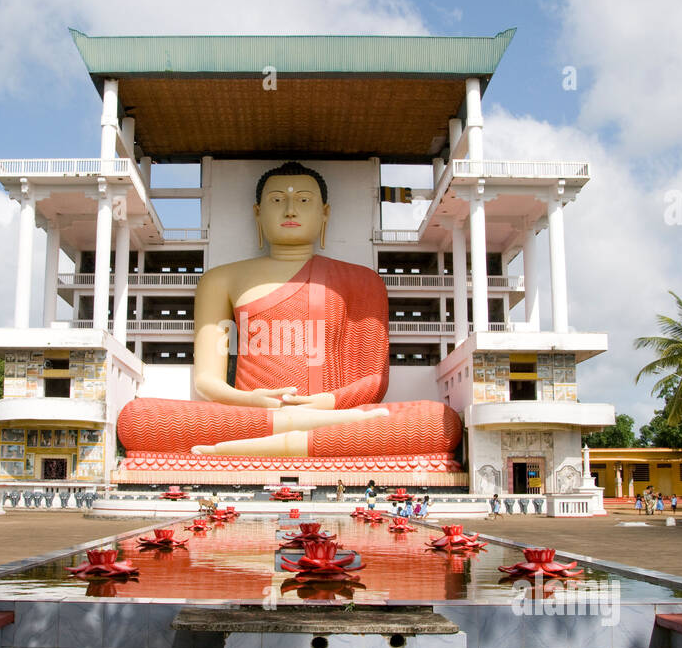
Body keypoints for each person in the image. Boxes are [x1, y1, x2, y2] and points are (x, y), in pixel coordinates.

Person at [116, 163, 463, 459]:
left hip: (336, 411)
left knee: (439, 422)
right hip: (252, 415)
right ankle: (308, 438)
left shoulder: (361, 280)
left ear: (325, 212)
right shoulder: (221, 279)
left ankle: (243, 449)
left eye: (303, 200)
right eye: (277, 200)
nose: (290, 210)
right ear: (258, 212)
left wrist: (324, 404)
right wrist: (251, 401)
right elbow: (206, 380)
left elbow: (374, 382)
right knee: (138, 418)